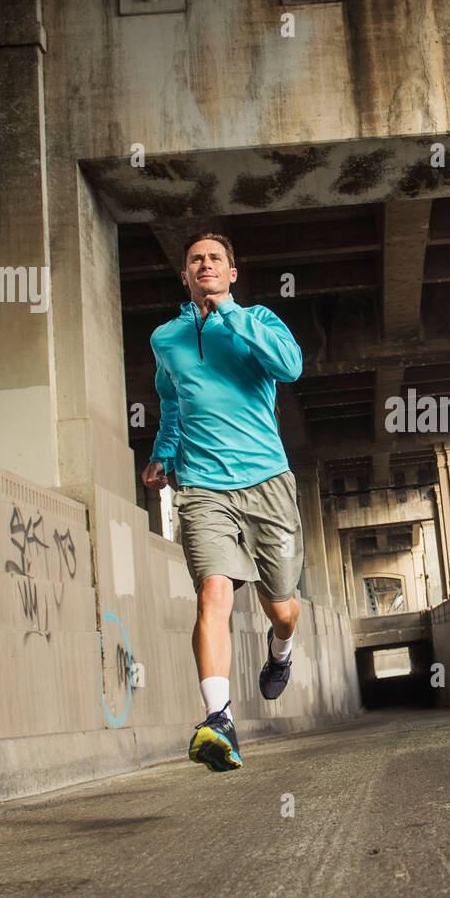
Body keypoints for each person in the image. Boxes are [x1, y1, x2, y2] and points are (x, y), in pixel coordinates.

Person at [141, 232, 305, 772]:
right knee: (213, 592)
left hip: (266, 482)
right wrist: (165, 451)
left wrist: (229, 315)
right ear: (184, 276)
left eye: (215, 259)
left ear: (231, 273)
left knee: (280, 607)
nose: (205, 265)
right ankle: (219, 719)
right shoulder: (166, 338)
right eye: (195, 261)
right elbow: (171, 399)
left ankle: (280, 650)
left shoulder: (258, 321)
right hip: (202, 487)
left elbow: (290, 367)